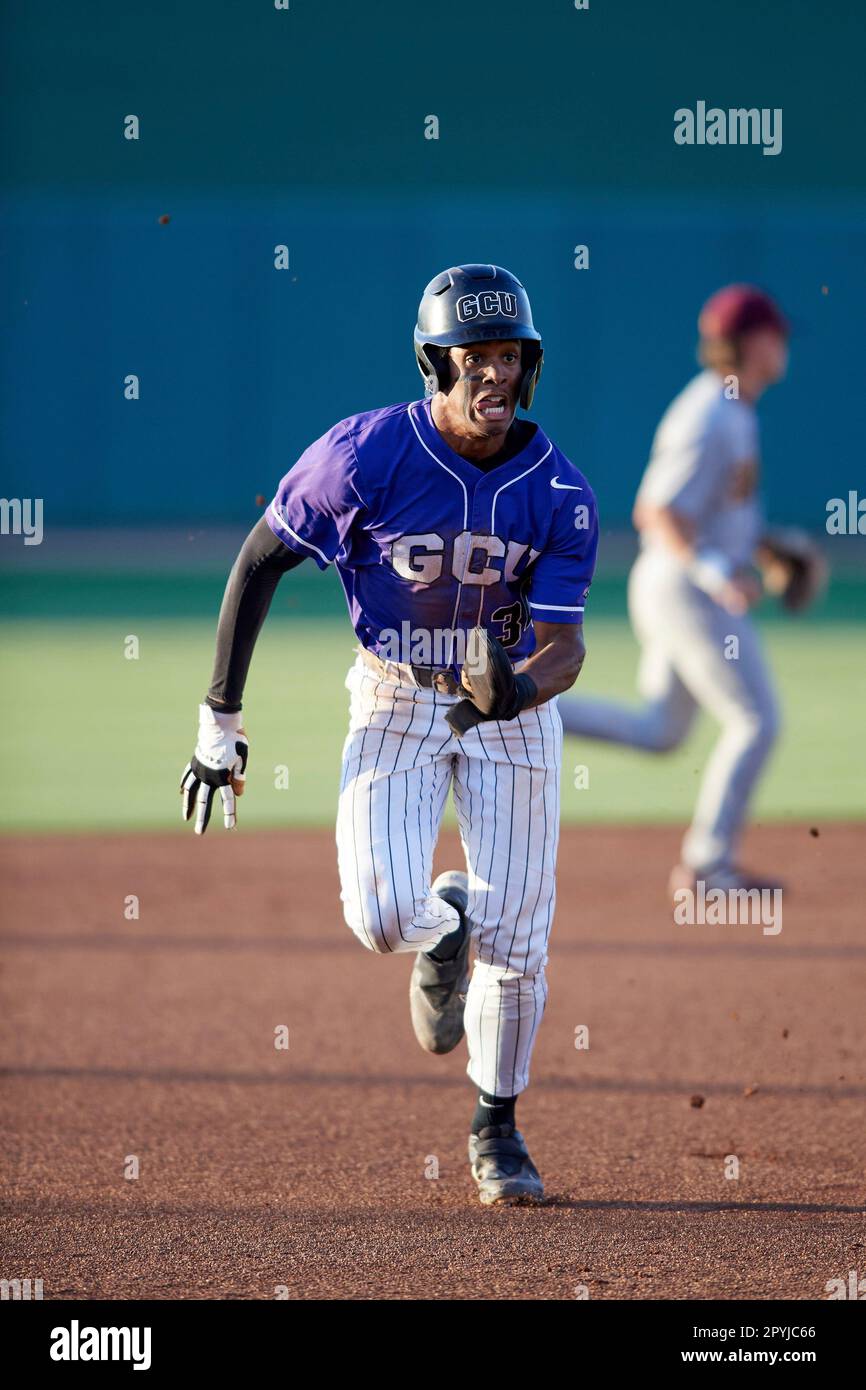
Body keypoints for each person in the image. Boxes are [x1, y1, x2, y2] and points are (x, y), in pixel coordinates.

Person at [179, 264, 599, 1205]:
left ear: (530, 367)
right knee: (377, 920)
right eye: (473, 357)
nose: (494, 375)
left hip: (510, 719)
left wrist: (516, 689)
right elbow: (259, 563)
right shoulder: (362, 457)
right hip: (395, 696)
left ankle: (498, 1126)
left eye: (510, 357)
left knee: (521, 937)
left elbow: (565, 650)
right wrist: (221, 722)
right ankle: (442, 921)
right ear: (433, 363)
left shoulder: (559, 488)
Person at [560, 285, 790, 894]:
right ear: (750, 342)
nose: (783, 345)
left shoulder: (735, 409)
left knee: (662, 730)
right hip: (685, 589)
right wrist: (719, 572)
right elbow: (655, 510)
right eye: (775, 334)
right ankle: (709, 865)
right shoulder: (710, 411)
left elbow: (716, 515)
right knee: (757, 721)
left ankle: (525, 708)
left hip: (678, 586)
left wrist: (769, 551)